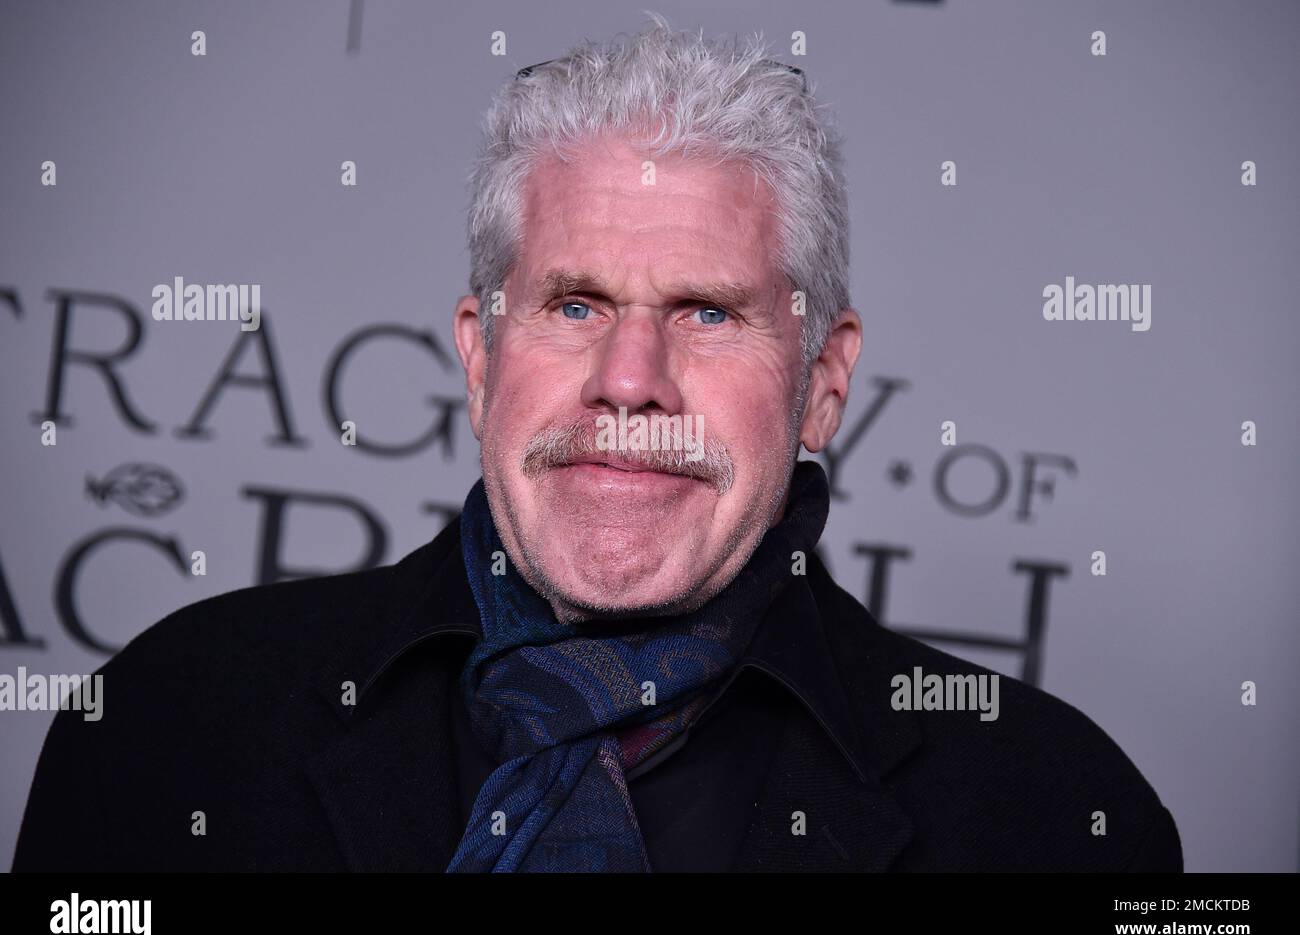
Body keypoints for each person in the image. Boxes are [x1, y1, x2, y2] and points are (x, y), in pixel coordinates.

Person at [13, 15, 1181, 873]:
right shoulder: (173, 722)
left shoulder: (1057, 818)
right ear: (480, 357)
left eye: (705, 313)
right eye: (574, 305)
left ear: (822, 383)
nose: (630, 384)